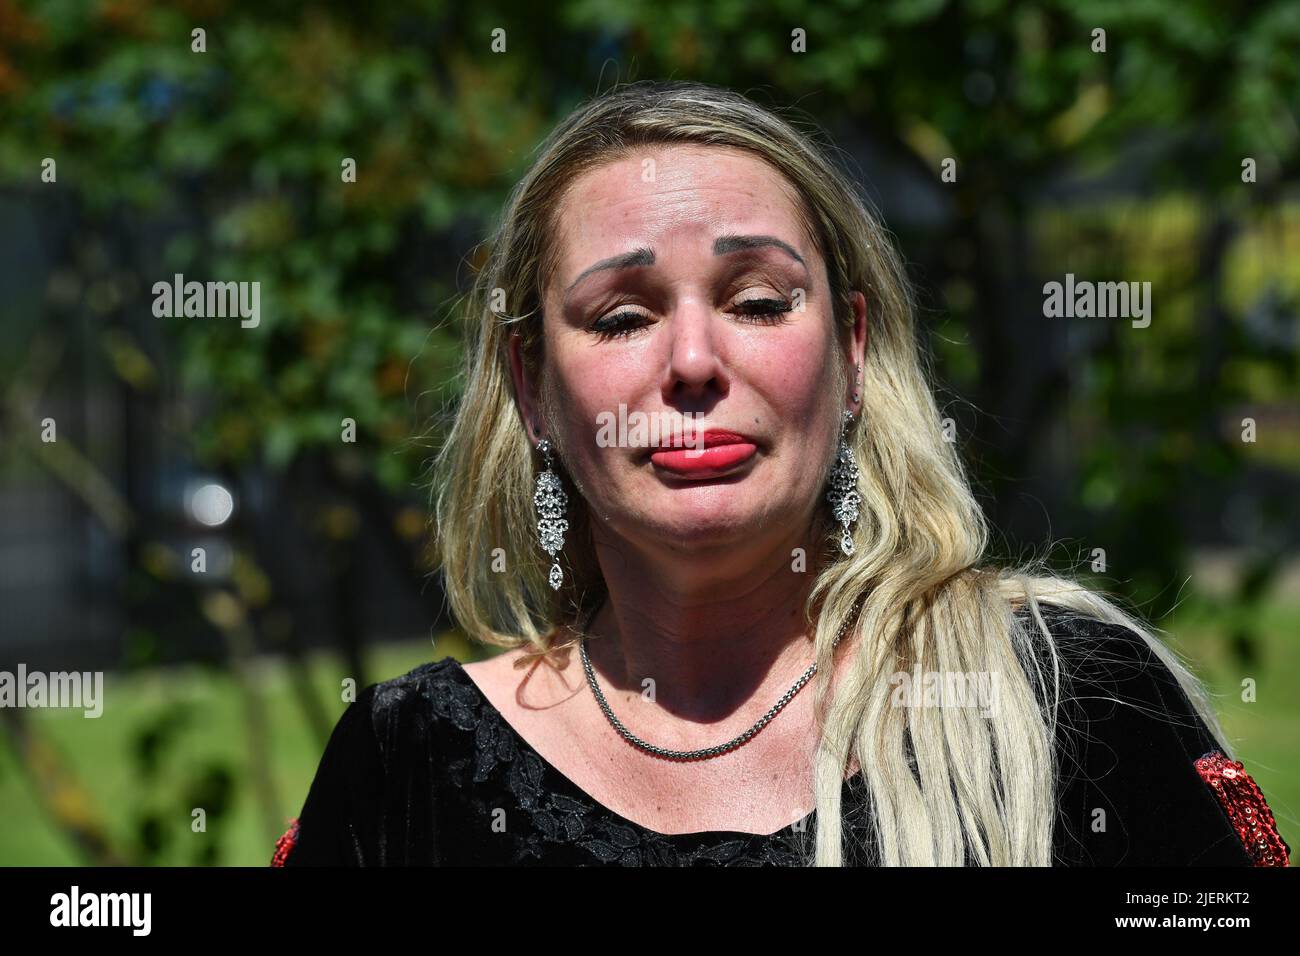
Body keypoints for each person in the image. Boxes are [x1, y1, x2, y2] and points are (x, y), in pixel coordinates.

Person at [272, 80, 1289, 867]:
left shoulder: (1059, 700)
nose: (693, 361)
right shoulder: (406, 763)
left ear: (850, 352)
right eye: (621, 315)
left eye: (757, 300)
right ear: (532, 384)